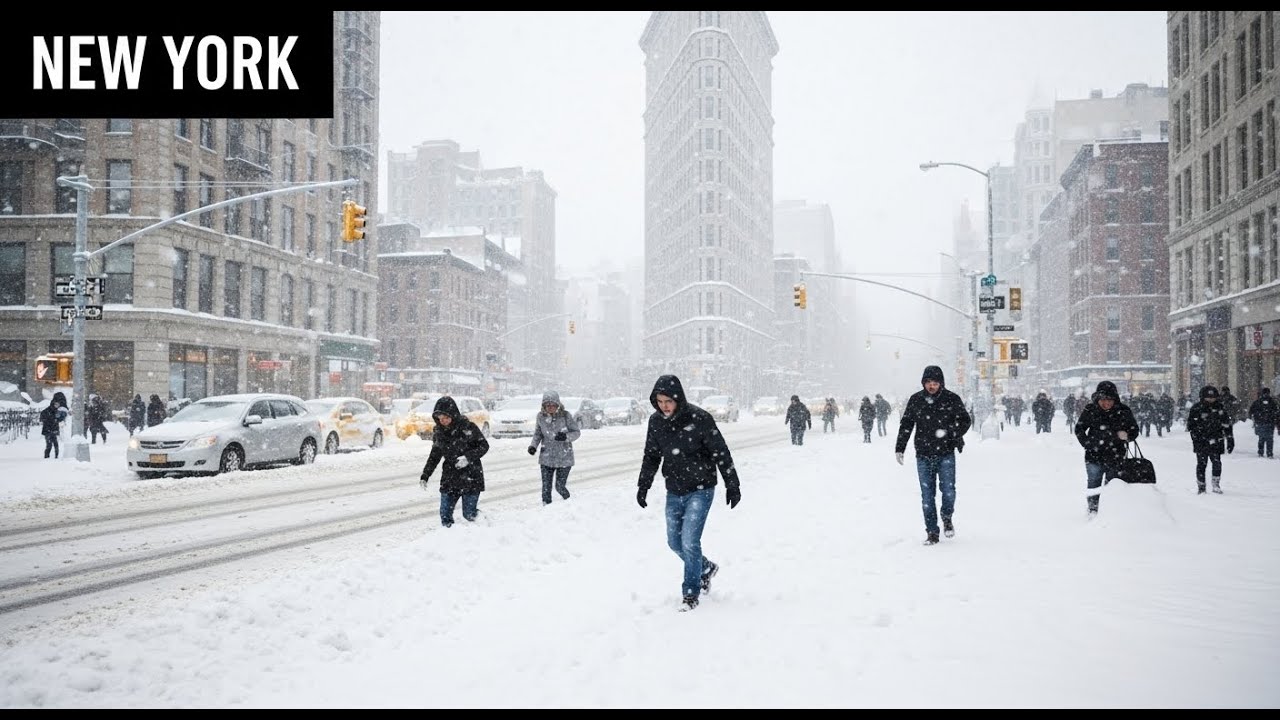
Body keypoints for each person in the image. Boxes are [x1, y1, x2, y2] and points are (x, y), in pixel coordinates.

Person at [636, 374, 742, 611]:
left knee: (690, 542)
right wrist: (643, 485)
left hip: (701, 488)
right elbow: (651, 455)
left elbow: (721, 452)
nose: (664, 406)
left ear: (678, 399)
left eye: (668, 401)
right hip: (674, 489)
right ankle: (706, 567)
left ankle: (691, 593)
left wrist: (732, 484)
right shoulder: (656, 422)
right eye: (659, 402)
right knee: (674, 542)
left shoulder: (700, 418)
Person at [894, 365, 971, 545]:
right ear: (923, 383)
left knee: (949, 492)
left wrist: (951, 433)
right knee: (927, 496)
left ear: (941, 383)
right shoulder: (916, 400)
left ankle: (946, 516)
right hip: (923, 454)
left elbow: (965, 420)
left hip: (946, 453)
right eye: (928, 382)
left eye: (935, 383)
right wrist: (900, 447)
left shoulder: (951, 399)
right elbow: (906, 424)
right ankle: (932, 532)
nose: (931, 386)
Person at [419, 395, 490, 527]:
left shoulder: (468, 427)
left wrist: (467, 458)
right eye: (440, 419)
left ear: (453, 415)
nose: (443, 421)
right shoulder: (439, 432)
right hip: (450, 477)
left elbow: (484, 446)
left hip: (471, 476)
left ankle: (485, 525)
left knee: (469, 514)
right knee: (445, 515)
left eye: (446, 417)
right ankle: (449, 536)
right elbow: (435, 455)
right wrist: (425, 475)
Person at [1073, 380, 1139, 517]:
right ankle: (1093, 509)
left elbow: (1134, 430)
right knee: (1094, 483)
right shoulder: (1090, 410)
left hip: (1116, 456)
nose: (1106, 403)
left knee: (1113, 485)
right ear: (1097, 398)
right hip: (1094, 455)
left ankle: (1109, 511)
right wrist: (1087, 443)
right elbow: (1079, 429)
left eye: (1110, 400)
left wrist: (1127, 435)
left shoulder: (1123, 411)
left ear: (1115, 399)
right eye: (1103, 400)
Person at [528, 390, 581, 505]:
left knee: (559, 486)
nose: (550, 407)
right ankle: (546, 508)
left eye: (553, 405)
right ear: (543, 405)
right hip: (546, 457)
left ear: (558, 405)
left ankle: (571, 505)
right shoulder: (540, 416)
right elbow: (538, 433)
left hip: (564, 457)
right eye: (547, 405)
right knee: (546, 487)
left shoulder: (565, 416)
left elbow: (576, 432)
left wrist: (566, 437)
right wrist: (533, 446)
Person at [1186, 385, 1229, 495]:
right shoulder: (1196, 408)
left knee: (1217, 462)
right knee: (1201, 464)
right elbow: (1191, 426)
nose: (1210, 399)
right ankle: (1201, 486)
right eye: (1208, 397)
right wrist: (1196, 438)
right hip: (1201, 441)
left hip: (1217, 440)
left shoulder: (1220, 407)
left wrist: (1230, 438)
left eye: (1213, 397)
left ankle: (1216, 484)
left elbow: (1226, 423)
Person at [1248, 387, 1277, 458]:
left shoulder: (1258, 402)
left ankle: (1261, 452)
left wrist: (1255, 417)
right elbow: (1276, 412)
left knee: (1261, 438)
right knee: (1269, 439)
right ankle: (1269, 453)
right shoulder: (1272, 402)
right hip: (1269, 423)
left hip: (1260, 423)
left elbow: (1251, 411)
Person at [39, 391, 67, 459]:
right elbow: (42, 417)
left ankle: (56, 457)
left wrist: (61, 418)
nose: (57, 406)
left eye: (58, 404)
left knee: (56, 445)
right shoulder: (48, 410)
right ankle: (46, 457)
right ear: (53, 403)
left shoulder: (58, 411)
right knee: (49, 445)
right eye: (56, 404)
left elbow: (59, 419)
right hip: (47, 430)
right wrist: (48, 420)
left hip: (54, 430)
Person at [1219, 386, 1241, 453]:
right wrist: (1234, 416)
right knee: (1229, 434)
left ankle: (1221, 448)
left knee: (1220, 434)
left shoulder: (1219, 398)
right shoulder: (1232, 398)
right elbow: (1237, 407)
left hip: (1221, 418)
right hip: (1229, 418)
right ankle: (1230, 447)